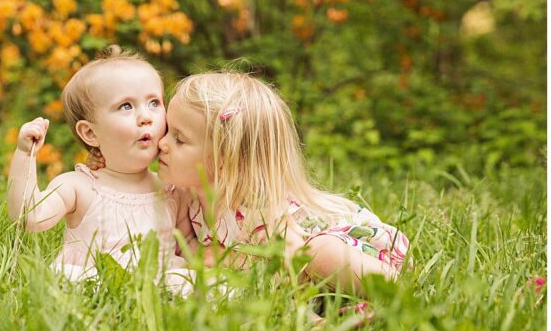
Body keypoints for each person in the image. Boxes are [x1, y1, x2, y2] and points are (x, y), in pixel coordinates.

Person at [90, 70, 411, 296]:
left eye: (180, 138)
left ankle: (391, 292)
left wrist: (233, 261)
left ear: (224, 159)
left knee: (318, 253)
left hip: (349, 251)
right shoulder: (183, 194)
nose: (162, 143)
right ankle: (341, 304)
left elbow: (288, 262)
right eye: (168, 131)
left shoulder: (259, 209)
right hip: (288, 271)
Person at [6, 47, 193, 291]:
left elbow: (187, 243)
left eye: (154, 102)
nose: (146, 116)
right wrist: (24, 155)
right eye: (126, 106)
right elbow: (30, 217)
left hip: (160, 285)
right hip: (95, 284)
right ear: (91, 133)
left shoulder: (170, 189)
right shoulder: (79, 186)